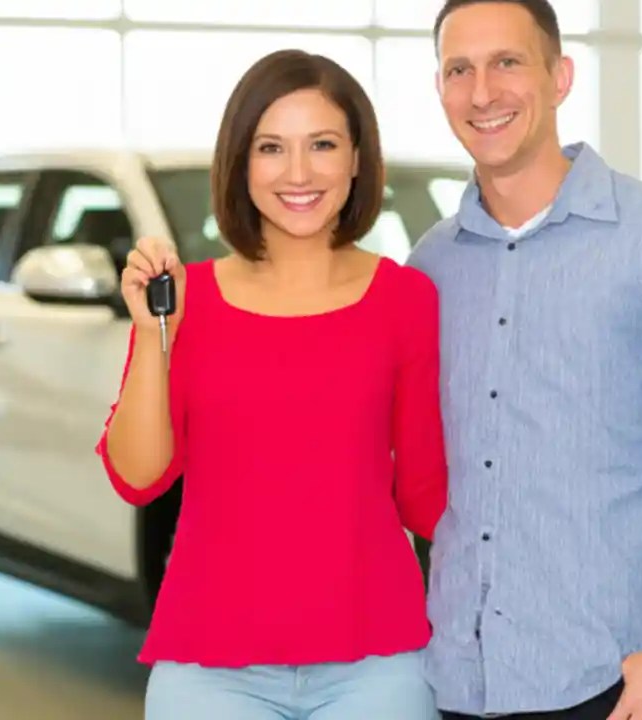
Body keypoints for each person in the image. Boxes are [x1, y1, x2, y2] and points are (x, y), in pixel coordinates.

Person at [406, 1, 642, 719]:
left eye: (507, 62)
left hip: (616, 687)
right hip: (456, 684)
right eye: (459, 70)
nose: (482, 92)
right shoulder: (431, 267)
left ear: (560, 77)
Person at [96, 49, 448, 720]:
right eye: (271, 147)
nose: (299, 172)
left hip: (376, 663)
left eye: (323, 144)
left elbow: (428, 497)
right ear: (240, 162)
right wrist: (151, 332)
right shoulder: (189, 300)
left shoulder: (406, 300)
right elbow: (139, 477)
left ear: (357, 159)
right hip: (210, 668)